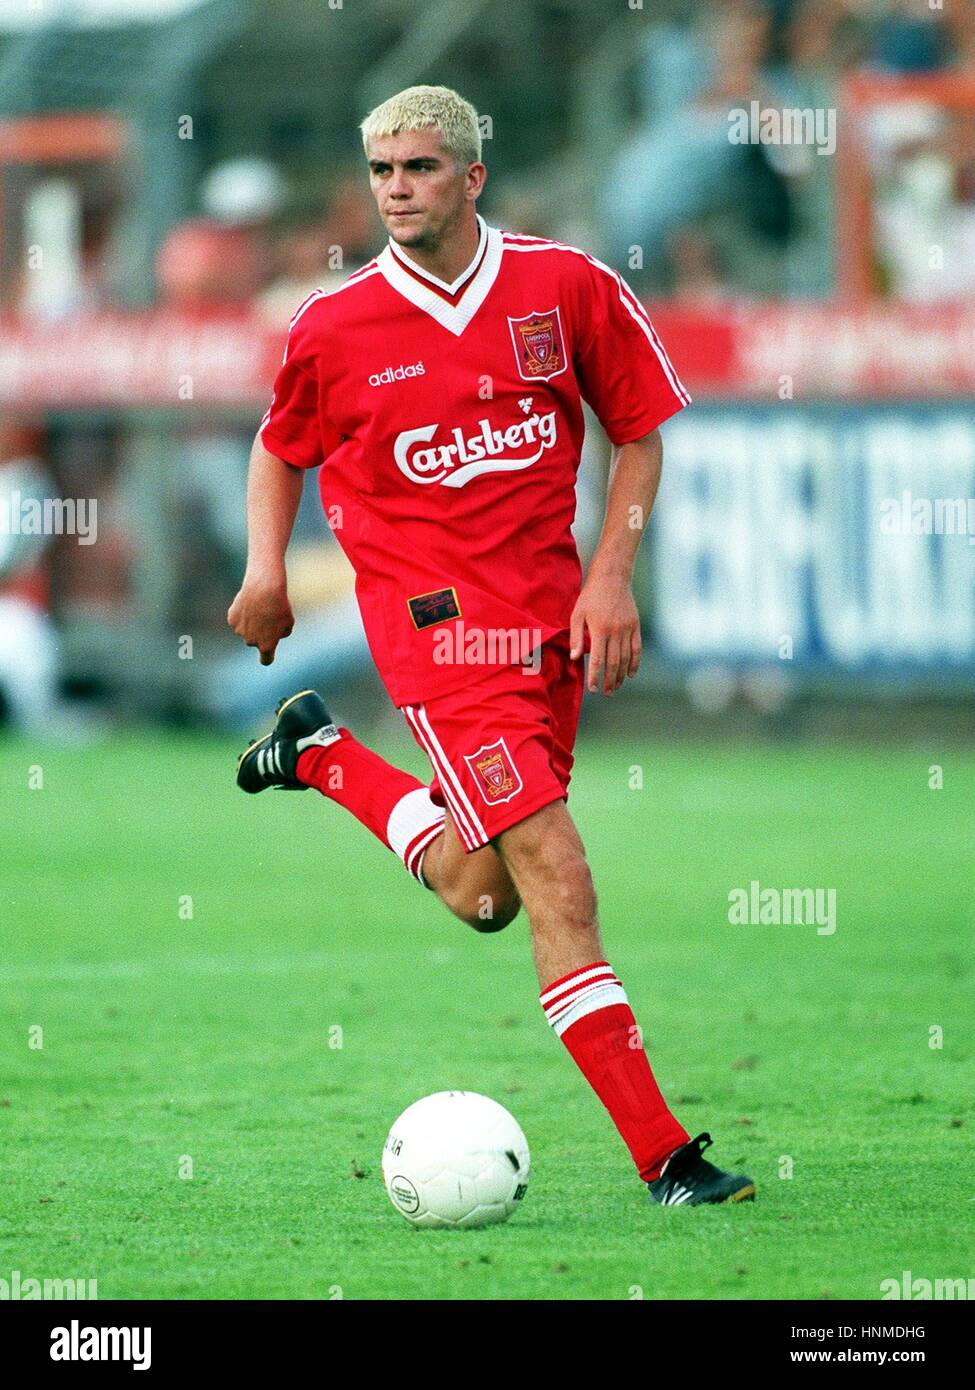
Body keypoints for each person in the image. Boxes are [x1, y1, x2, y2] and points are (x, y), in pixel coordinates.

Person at [228, 85, 755, 1207]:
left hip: (549, 625)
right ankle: (669, 1159)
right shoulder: (333, 327)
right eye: (381, 172)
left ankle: (319, 754)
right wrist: (265, 570)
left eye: (419, 168)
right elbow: (281, 451)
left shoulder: (566, 288)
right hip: (440, 644)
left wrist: (610, 574)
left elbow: (641, 432)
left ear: (472, 177)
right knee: (559, 875)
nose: (396, 190)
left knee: (486, 894)